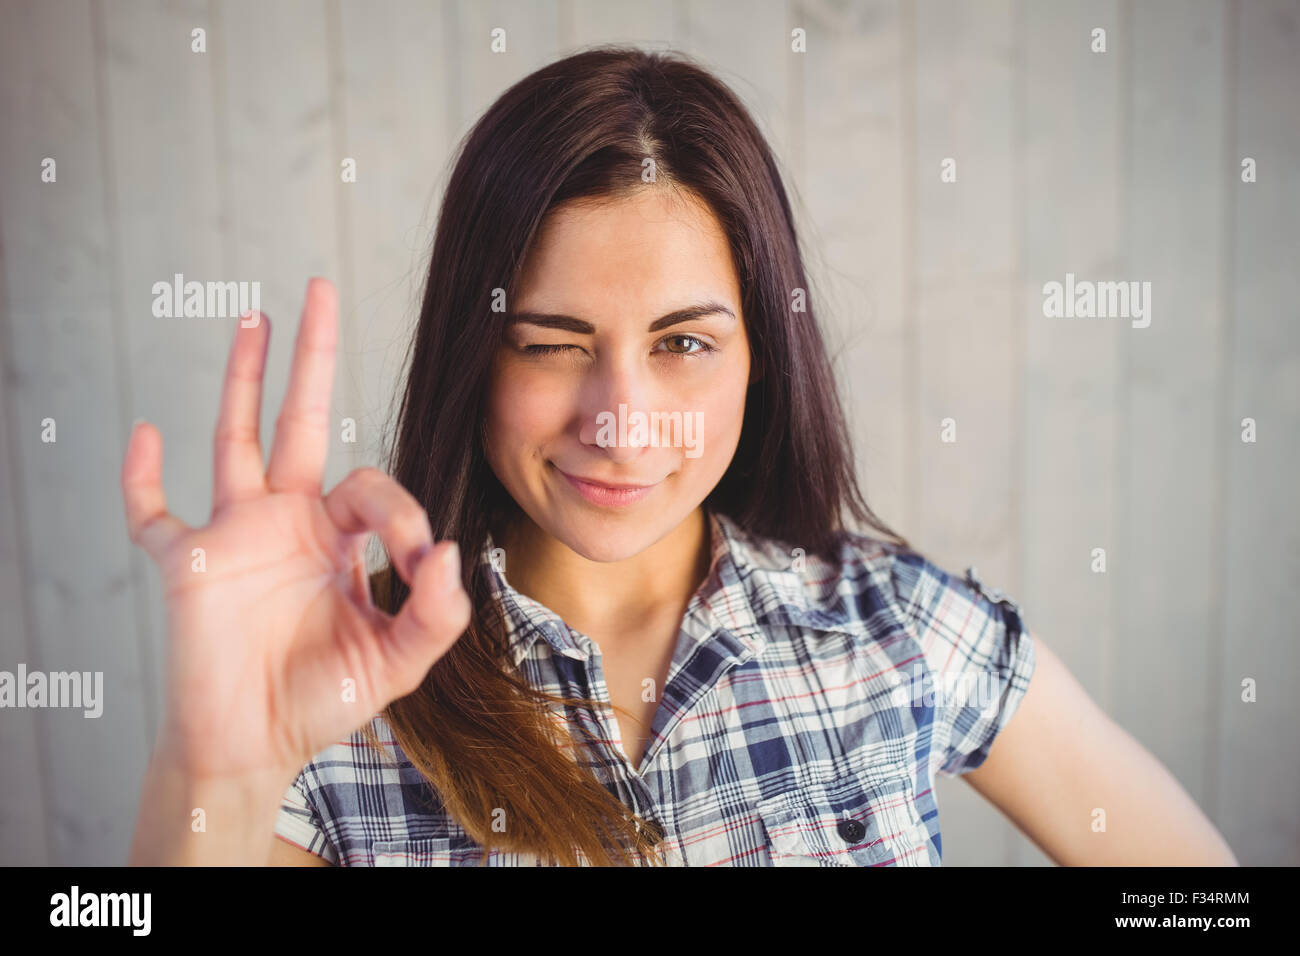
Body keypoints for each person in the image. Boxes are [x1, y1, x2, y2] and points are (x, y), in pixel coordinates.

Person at [122, 46, 1236, 866]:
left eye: (684, 343)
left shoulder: (894, 627)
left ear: (764, 355)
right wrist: (216, 769)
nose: (620, 418)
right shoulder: (342, 693)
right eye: (552, 345)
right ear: (476, 351)